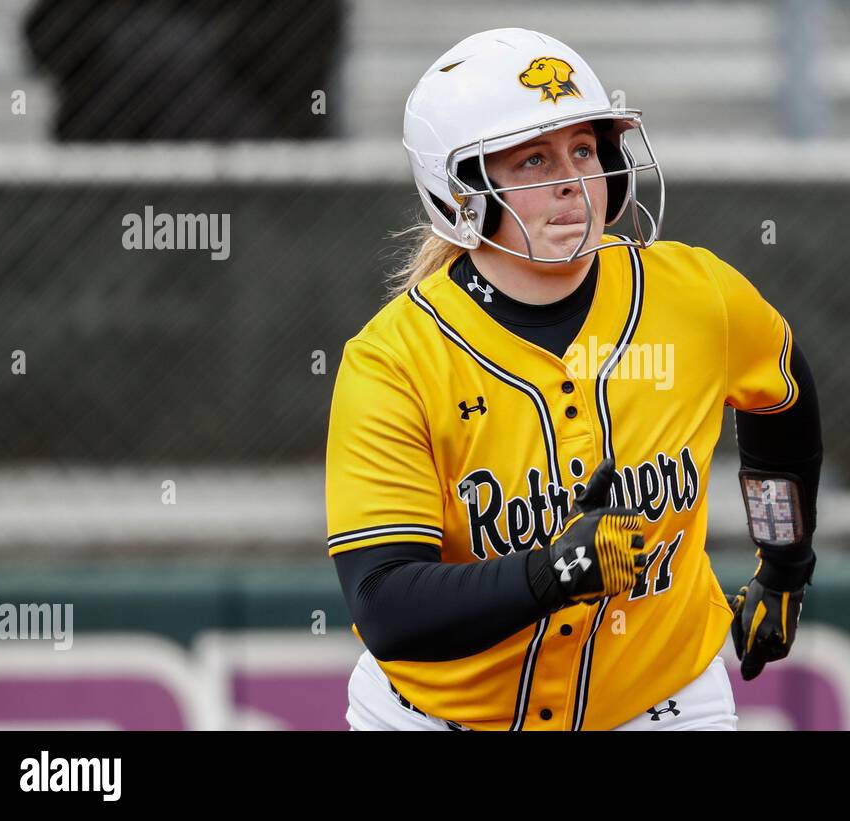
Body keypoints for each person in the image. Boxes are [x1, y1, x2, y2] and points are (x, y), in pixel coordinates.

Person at [326, 27, 822, 731]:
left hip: (659, 700)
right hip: (439, 716)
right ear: (460, 191)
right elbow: (387, 606)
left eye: (584, 150)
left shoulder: (695, 295)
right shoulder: (394, 361)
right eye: (532, 159)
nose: (573, 181)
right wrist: (554, 570)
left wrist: (783, 562)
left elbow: (784, 401)